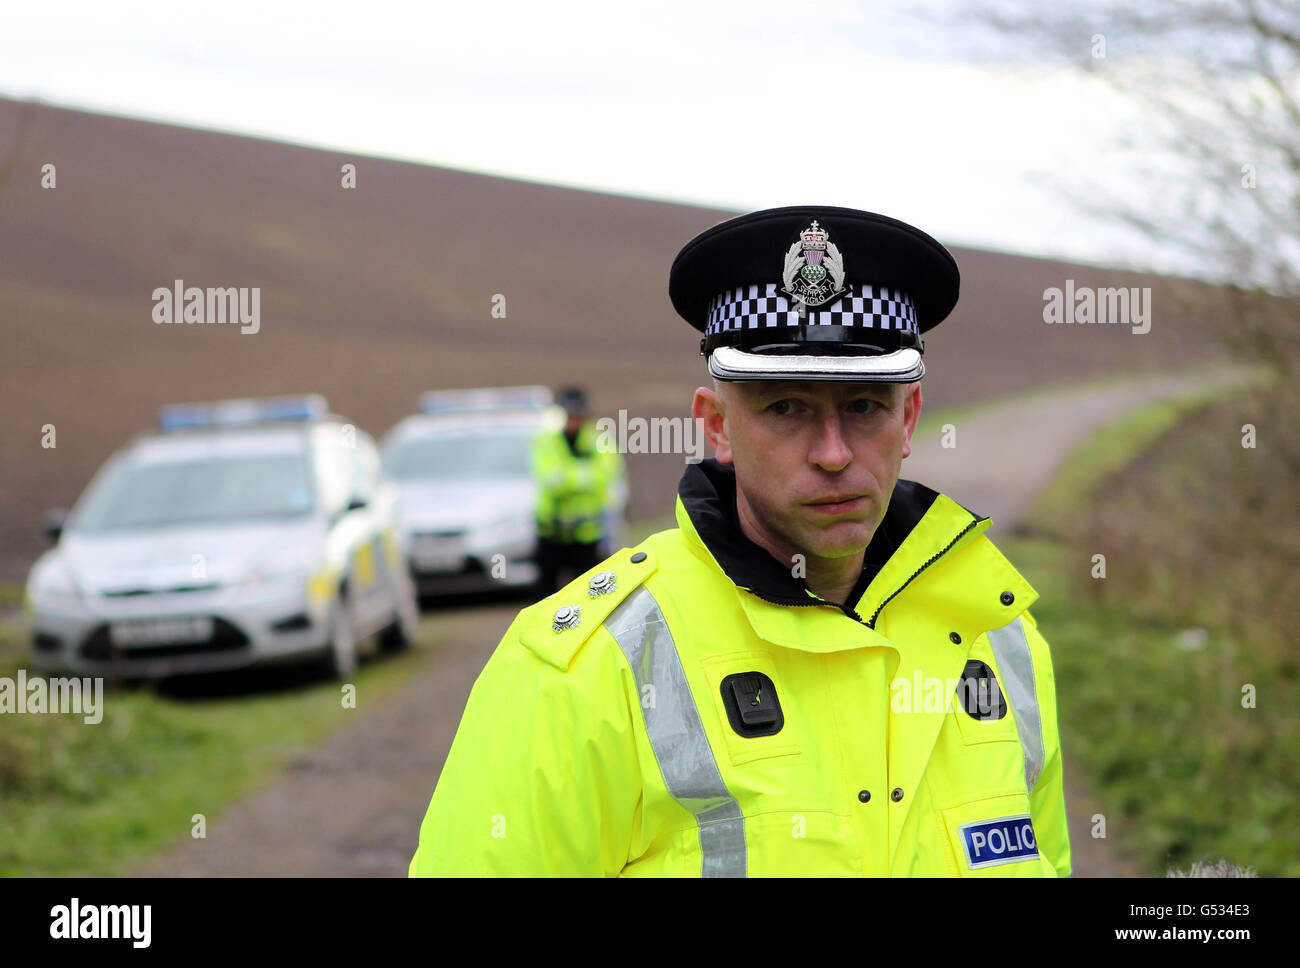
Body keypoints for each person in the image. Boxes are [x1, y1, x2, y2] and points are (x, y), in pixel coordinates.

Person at [410, 206, 1072, 877]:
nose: (834, 454)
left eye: (865, 406)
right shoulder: (584, 666)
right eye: (786, 408)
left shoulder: (1002, 638)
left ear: (910, 418)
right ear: (717, 424)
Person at [529, 387, 625, 594]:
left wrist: (567, 476)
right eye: (570, 415)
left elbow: (608, 473)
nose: (574, 421)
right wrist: (586, 476)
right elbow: (550, 480)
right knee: (545, 596)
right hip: (551, 534)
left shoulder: (598, 439)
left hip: (587, 535)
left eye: (578, 415)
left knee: (589, 595)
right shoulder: (546, 440)